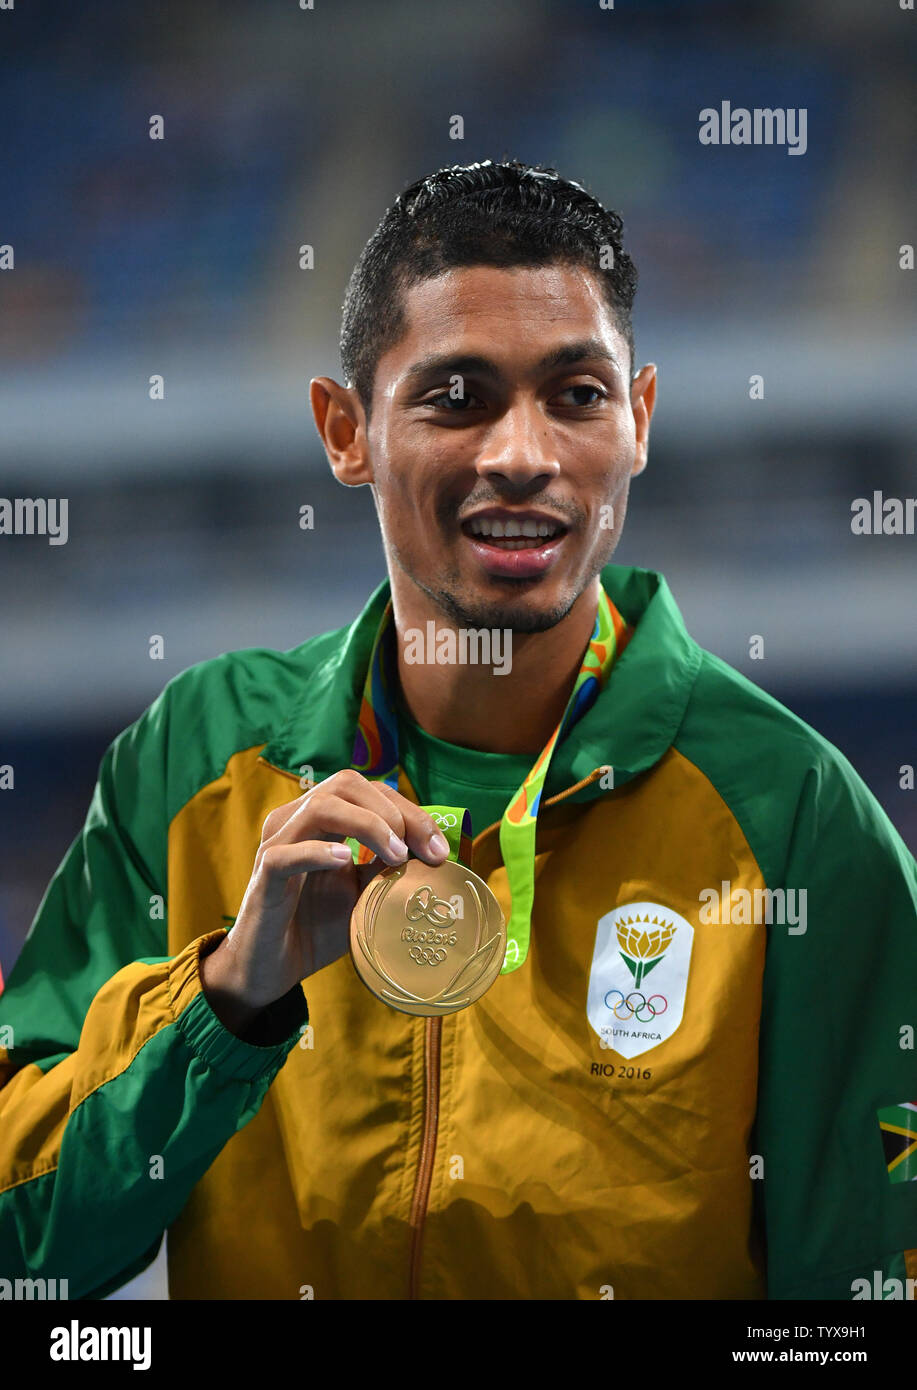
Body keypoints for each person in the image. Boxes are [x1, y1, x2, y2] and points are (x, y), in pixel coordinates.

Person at [1, 159, 915, 1302]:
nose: (521, 453)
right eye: (456, 397)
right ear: (345, 431)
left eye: (575, 394)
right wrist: (230, 1001)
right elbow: (21, 1249)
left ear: (635, 421)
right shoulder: (192, 761)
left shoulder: (792, 815)